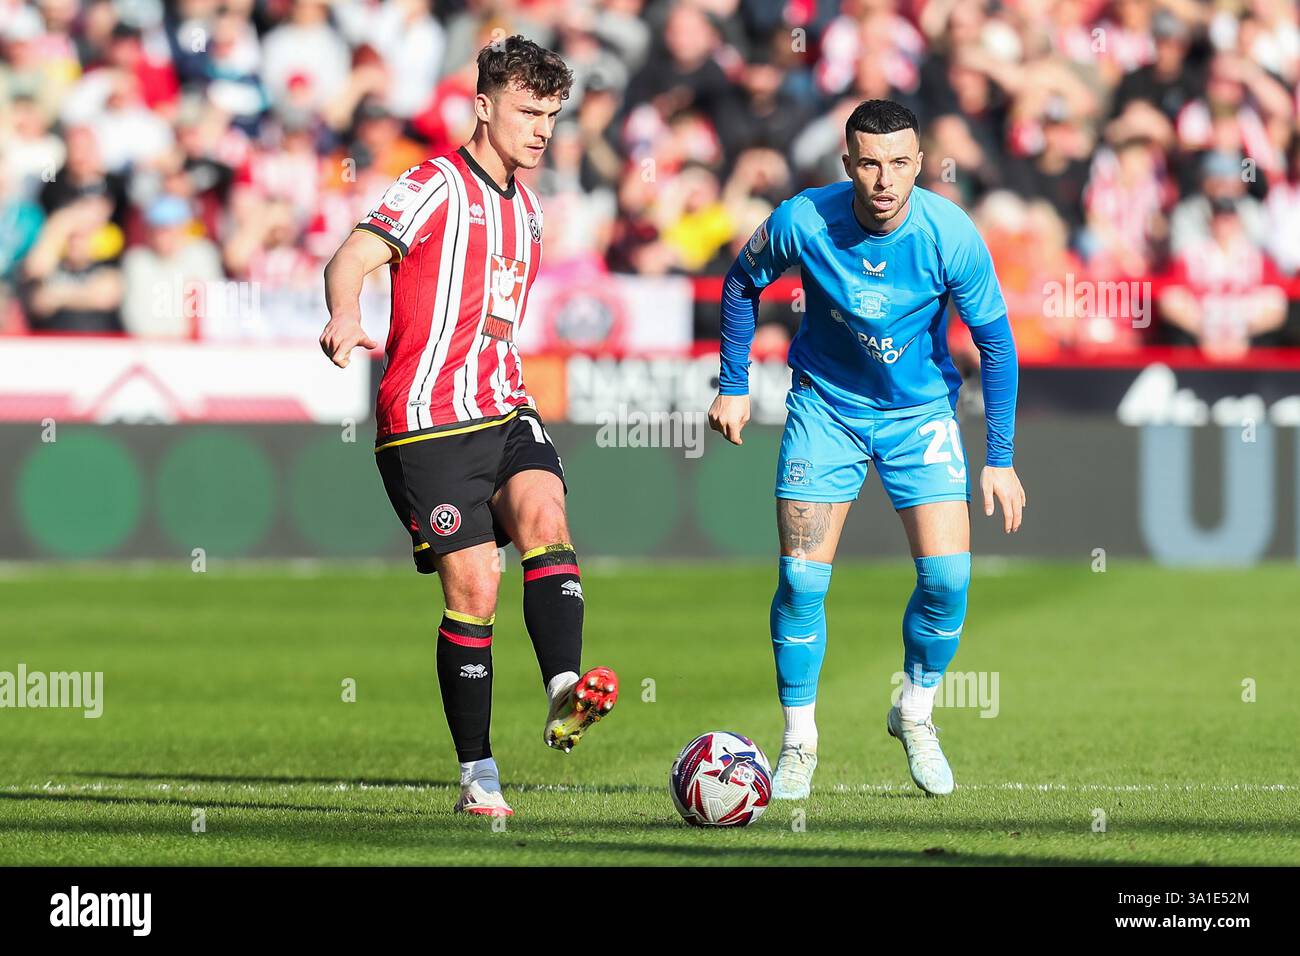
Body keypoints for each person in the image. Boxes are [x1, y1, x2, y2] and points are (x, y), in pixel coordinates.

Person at [319, 36, 617, 819]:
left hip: (505, 403)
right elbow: (350, 256)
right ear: (483, 106)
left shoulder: (531, 208)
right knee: (477, 586)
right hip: (426, 421)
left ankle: (563, 688)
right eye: (528, 111)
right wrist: (347, 314)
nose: (543, 129)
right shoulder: (432, 185)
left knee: (548, 516)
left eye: (552, 114)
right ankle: (477, 772)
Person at [707, 99, 1024, 798]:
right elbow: (740, 283)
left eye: (899, 164)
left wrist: (998, 456)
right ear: (847, 162)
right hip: (827, 410)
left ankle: (914, 713)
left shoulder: (951, 235)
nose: (884, 180)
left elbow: (996, 344)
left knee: (948, 581)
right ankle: (798, 744)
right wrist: (732, 384)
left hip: (920, 415)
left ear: (919, 164)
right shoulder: (803, 219)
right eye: (870, 163)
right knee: (801, 582)